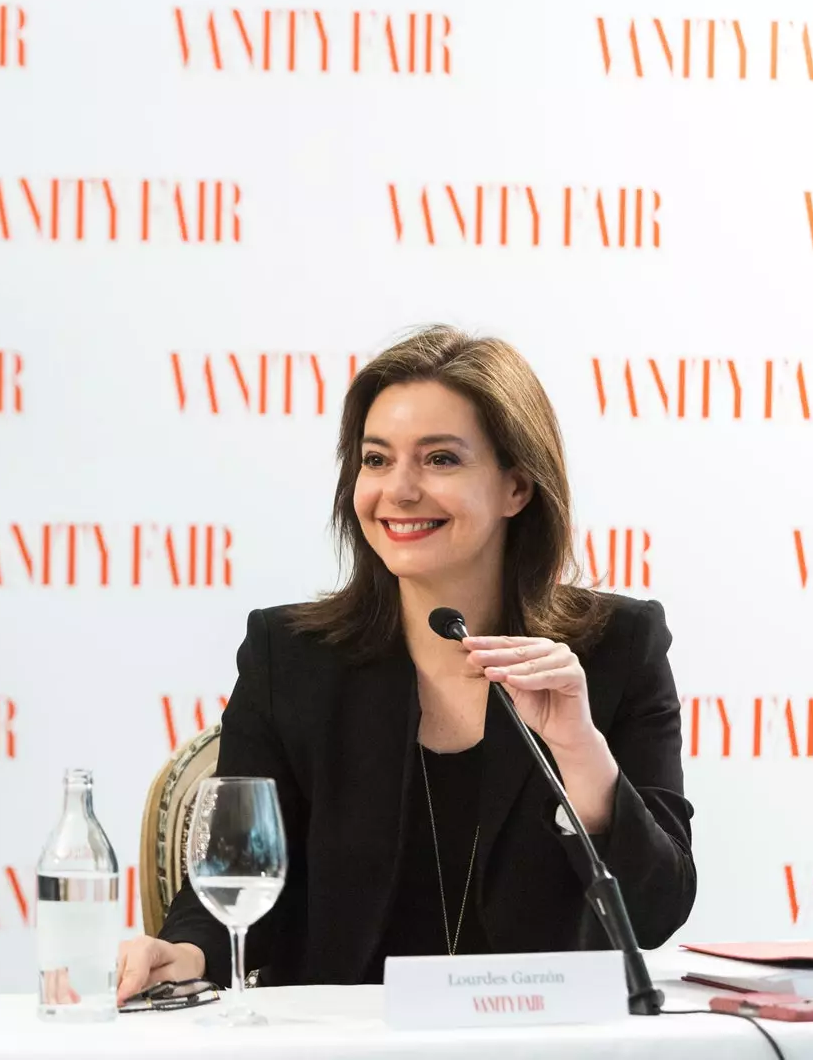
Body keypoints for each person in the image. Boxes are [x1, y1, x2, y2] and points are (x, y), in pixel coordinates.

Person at [117, 326, 695, 996]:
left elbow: (658, 911)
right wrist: (184, 950)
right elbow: (239, 878)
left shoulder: (615, 646)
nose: (399, 490)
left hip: (545, 1040)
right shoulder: (292, 657)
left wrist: (580, 750)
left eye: (440, 459)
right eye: (376, 459)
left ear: (517, 486)